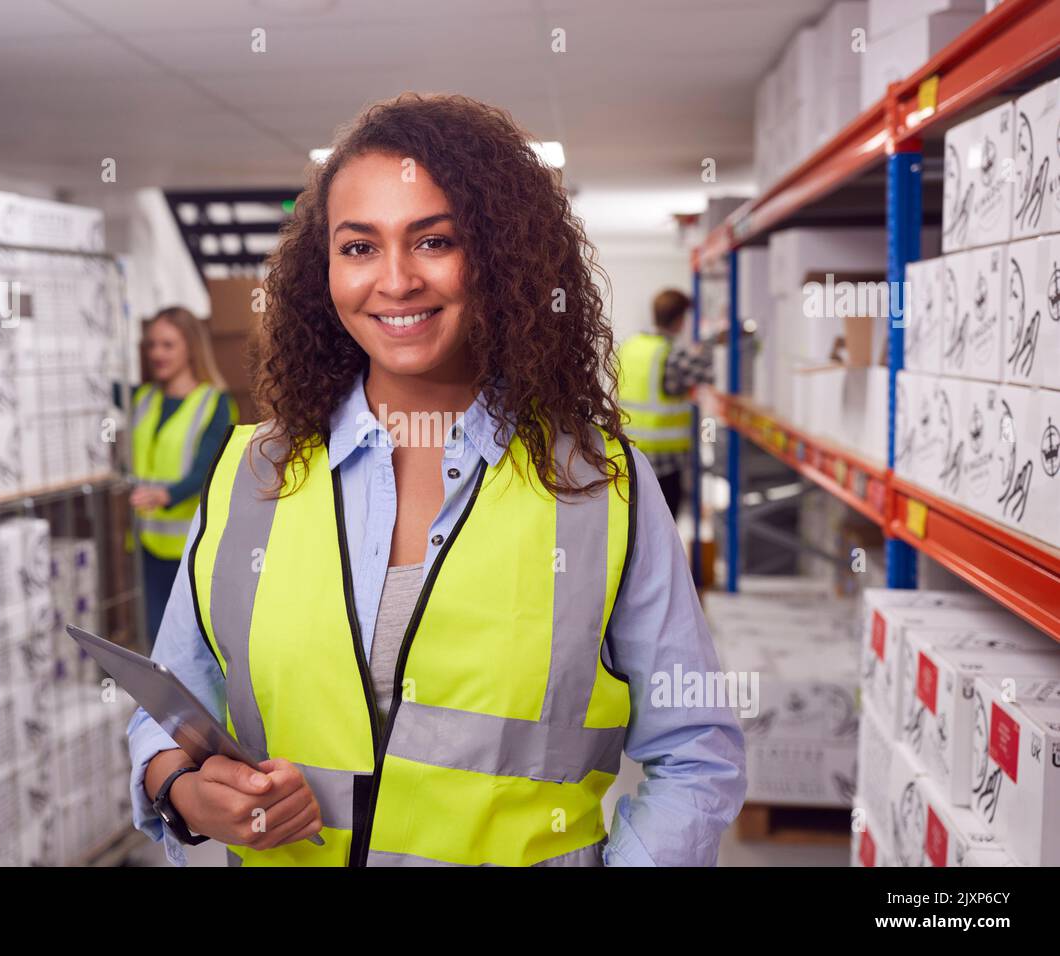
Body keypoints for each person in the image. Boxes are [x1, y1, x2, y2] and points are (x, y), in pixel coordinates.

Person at [128, 93, 745, 867]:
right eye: (359, 247)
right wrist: (182, 789)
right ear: (324, 270)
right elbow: (168, 702)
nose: (395, 280)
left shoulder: (599, 487)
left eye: (434, 241)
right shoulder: (251, 472)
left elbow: (695, 754)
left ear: (498, 258)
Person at [128, 306, 236, 645]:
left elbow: (209, 466)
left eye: (168, 345)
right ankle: (161, 700)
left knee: (188, 643)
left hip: (192, 546)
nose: (157, 353)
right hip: (146, 541)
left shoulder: (213, 402)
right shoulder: (142, 398)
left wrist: (166, 495)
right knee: (154, 635)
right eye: (152, 345)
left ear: (190, 346)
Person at [617, 289, 716, 518]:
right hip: (664, 461)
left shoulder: (631, 346)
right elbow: (711, 373)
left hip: (629, 453)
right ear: (681, 319)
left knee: (636, 528)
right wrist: (713, 344)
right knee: (662, 529)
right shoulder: (670, 354)